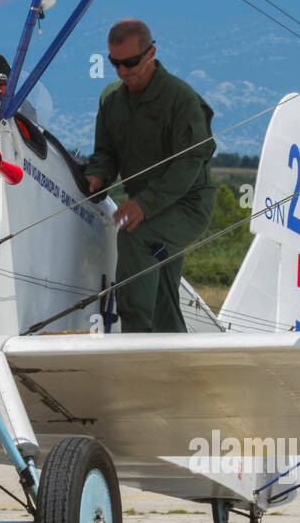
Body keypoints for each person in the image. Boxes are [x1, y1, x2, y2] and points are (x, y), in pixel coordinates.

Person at [84, 20, 216, 333]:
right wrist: (96, 176)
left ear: (151, 54)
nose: (122, 72)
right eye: (114, 63)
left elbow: (190, 162)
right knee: (163, 290)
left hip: (187, 205)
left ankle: (136, 335)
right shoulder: (111, 99)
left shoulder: (182, 100)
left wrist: (143, 204)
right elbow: (105, 152)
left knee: (135, 237)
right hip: (146, 205)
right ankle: (175, 360)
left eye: (130, 62)